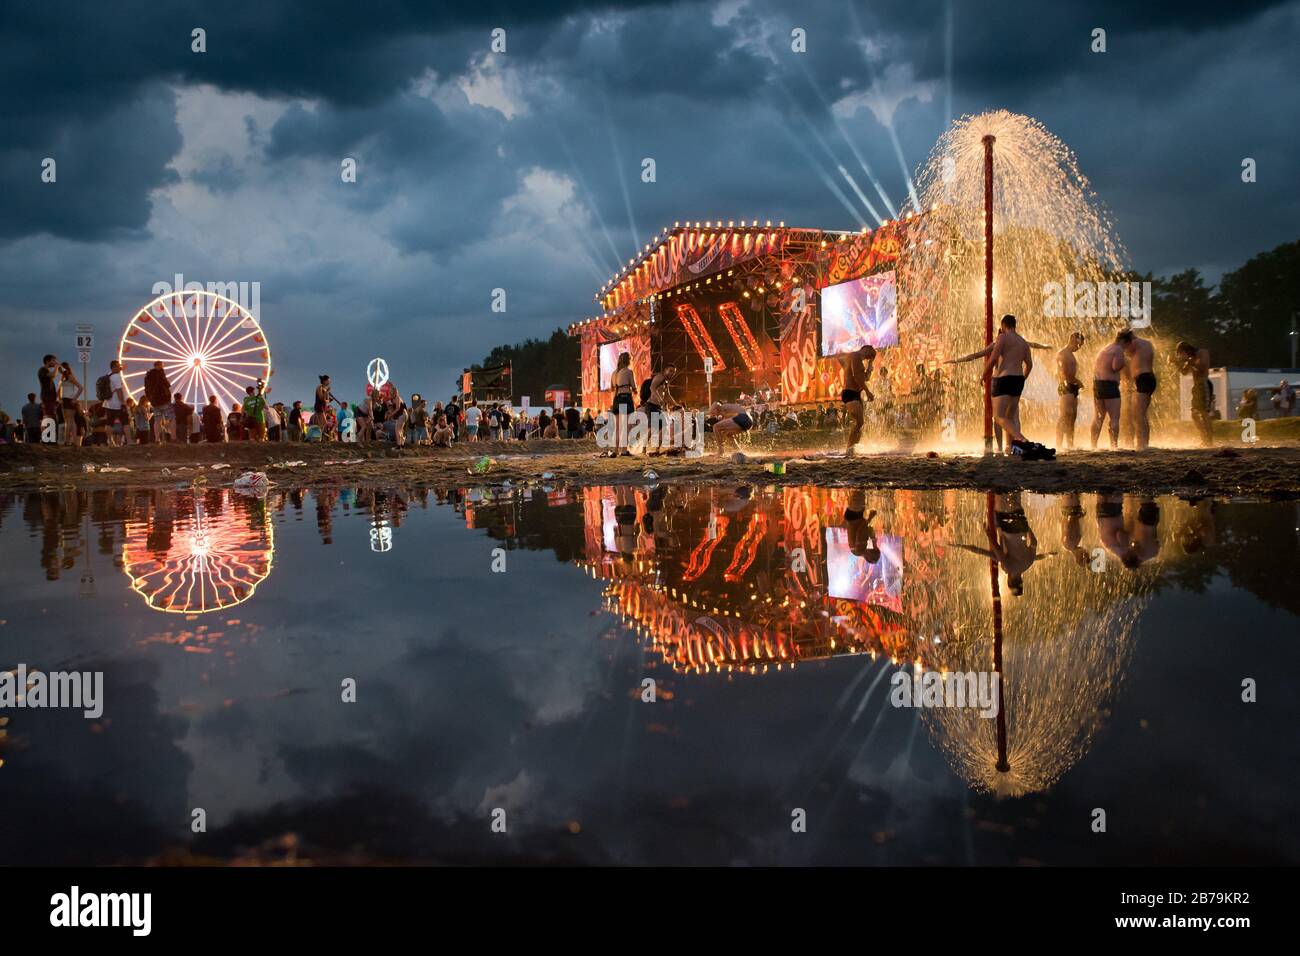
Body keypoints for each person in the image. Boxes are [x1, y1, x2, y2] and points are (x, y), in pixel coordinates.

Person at [980, 315, 1052, 458]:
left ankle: (1024, 440)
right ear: (1015, 325)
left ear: (1003, 325)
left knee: (999, 416)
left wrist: (984, 374)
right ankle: (1013, 447)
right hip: (1018, 379)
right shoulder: (1023, 342)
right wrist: (1023, 378)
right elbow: (1029, 365)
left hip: (1003, 379)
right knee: (1010, 417)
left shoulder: (1002, 338)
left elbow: (993, 357)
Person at [957, 492, 1052, 595]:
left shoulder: (1029, 563)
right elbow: (997, 550)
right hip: (1006, 525)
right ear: (1010, 581)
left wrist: (1026, 526)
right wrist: (989, 534)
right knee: (1000, 490)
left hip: (1020, 523)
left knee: (1014, 490)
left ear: (1021, 581)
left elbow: (1034, 542)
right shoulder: (1008, 567)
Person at [1117, 329, 1157, 450]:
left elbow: (1124, 354)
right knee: (1140, 414)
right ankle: (1143, 442)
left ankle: (1142, 444)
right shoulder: (1146, 343)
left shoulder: (1134, 344)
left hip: (1143, 379)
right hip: (1148, 378)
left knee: (1139, 414)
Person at [839, 344, 876, 456]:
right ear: (865, 348)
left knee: (860, 423)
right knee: (859, 422)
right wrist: (868, 392)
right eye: (869, 355)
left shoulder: (857, 358)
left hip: (855, 393)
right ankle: (849, 448)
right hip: (850, 393)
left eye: (870, 357)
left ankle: (852, 448)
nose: (868, 358)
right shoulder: (855, 355)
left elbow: (866, 378)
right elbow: (856, 377)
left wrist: (870, 365)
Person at [1090, 336, 1126, 450]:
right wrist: (1124, 362)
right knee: (1114, 418)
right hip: (1110, 385)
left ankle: (1093, 446)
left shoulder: (1105, 349)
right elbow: (1115, 367)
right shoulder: (1118, 349)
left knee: (1098, 417)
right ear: (1124, 341)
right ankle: (1114, 446)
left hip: (1097, 384)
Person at [1175, 341, 1213, 446]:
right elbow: (1184, 372)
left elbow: (1202, 367)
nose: (1181, 356)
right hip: (1197, 387)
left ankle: (1209, 440)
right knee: (1194, 414)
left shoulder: (1202, 352)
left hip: (1204, 383)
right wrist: (1176, 363)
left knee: (1204, 413)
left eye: (1181, 353)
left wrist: (1188, 360)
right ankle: (1204, 438)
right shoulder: (1191, 359)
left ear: (1186, 350)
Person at [1055, 333, 1085, 451]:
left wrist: (1076, 383)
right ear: (1072, 339)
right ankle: (1058, 444)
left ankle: (1070, 444)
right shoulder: (1063, 353)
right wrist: (1077, 381)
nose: (1079, 347)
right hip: (1065, 386)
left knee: (1072, 417)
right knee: (1065, 415)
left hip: (1072, 387)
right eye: (1079, 344)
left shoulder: (1070, 354)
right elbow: (1063, 373)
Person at [606, 351, 636, 457]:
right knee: (627, 426)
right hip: (626, 398)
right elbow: (634, 387)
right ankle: (624, 450)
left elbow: (612, 389)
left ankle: (615, 450)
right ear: (628, 360)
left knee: (618, 427)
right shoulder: (628, 371)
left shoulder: (614, 373)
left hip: (617, 400)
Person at [57, 362, 84, 446]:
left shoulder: (69, 377)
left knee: (69, 421)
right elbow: (58, 391)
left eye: (60, 369)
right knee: (70, 421)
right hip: (66, 400)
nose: (59, 371)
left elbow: (80, 387)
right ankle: (72, 441)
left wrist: (74, 398)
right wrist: (60, 398)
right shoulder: (64, 378)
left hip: (68, 400)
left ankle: (68, 440)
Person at [103, 359, 127, 446]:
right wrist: (123, 402)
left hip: (108, 403)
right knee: (126, 422)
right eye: (118, 366)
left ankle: (110, 441)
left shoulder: (109, 375)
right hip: (116, 404)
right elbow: (119, 390)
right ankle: (130, 440)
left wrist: (120, 370)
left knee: (109, 423)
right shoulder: (116, 376)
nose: (120, 367)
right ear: (114, 367)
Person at [38, 355, 59, 425]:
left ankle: (49, 433)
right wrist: (56, 367)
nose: (55, 362)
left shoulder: (46, 370)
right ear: (47, 361)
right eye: (53, 360)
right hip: (47, 396)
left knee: (51, 415)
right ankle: (47, 434)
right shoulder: (42, 370)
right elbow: (53, 375)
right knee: (48, 415)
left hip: (50, 397)